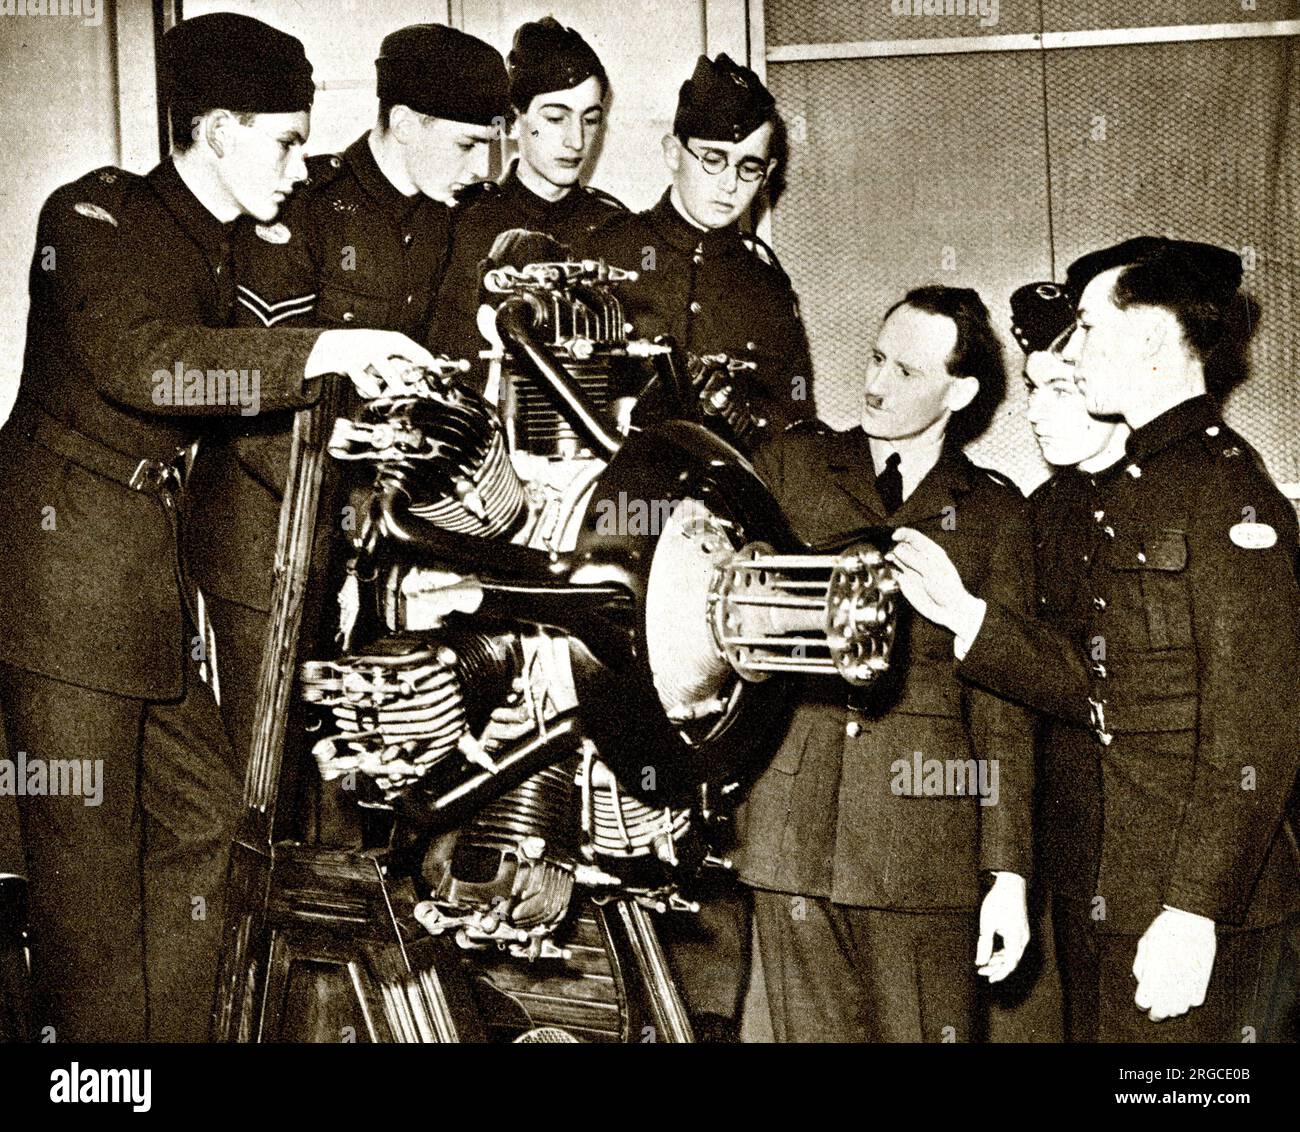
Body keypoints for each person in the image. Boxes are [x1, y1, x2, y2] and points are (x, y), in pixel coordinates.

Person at [0, 12, 438, 1041]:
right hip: (61, 594)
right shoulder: (93, 219)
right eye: (283, 140)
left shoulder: (227, 237)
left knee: (208, 823)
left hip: (148, 594)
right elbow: (154, 365)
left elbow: (237, 385)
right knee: (90, 882)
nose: (299, 166)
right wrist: (326, 352)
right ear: (216, 128)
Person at [890, 238, 1300, 1041]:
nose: (1073, 349)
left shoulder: (1224, 491)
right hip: (1117, 888)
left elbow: (1259, 726)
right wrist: (965, 614)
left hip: (1197, 906)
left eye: (1085, 327)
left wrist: (1193, 912)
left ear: (1147, 336)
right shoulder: (1129, 486)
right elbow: (1104, 687)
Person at [185, 23, 510, 764]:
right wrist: (345, 506)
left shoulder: (454, 220)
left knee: (376, 750)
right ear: (402, 124)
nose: (478, 165)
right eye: (463, 145)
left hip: (381, 538)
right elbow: (257, 397)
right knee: (271, 772)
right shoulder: (302, 206)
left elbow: (451, 382)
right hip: (267, 533)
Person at [735, 285, 1037, 1042]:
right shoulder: (790, 465)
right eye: (875, 358)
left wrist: (1008, 875)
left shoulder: (998, 513)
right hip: (792, 829)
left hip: (924, 845)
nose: (874, 384)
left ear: (960, 391)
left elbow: (1004, 710)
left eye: (905, 372)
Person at [587, 53, 814, 448]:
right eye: (713, 159)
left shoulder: (767, 288)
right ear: (674, 153)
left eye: (749, 168)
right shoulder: (605, 252)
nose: (730, 184)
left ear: (768, 174)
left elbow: (793, 427)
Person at [427, 16, 627, 384]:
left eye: (591, 120)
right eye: (555, 118)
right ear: (515, 122)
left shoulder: (618, 228)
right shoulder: (458, 222)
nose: (576, 141)